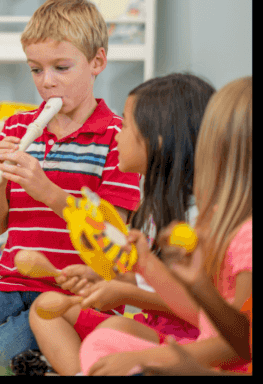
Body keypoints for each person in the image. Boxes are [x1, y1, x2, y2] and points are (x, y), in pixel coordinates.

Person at [0, 0, 142, 375]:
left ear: (97, 62)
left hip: (76, 291)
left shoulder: (118, 137)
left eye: (61, 68)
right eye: (36, 69)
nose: (47, 81)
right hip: (12, 281)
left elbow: (112, 234)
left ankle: (38, 353)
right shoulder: (18, 127)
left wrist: (48, 191)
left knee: (5, 356)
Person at [29, 73, 214, 375]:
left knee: (112, 329)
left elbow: (199, 310)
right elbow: (148, 278)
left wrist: (126, 294)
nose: (117, 135)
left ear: (156, 141)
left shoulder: (195, 221)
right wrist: (102, 277)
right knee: (45, 307)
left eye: (126, 125)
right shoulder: (153, 208)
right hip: (155, 327)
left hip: (193, 342)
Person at [80, 76, 252, 375]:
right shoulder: (220, 223)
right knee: (103, 340)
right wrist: (148, 264)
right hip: (198, 354)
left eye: (206, 139)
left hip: (206, 361)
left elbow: (240, 346)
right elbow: (210, 321)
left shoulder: (244, 235)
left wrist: (157, 359)